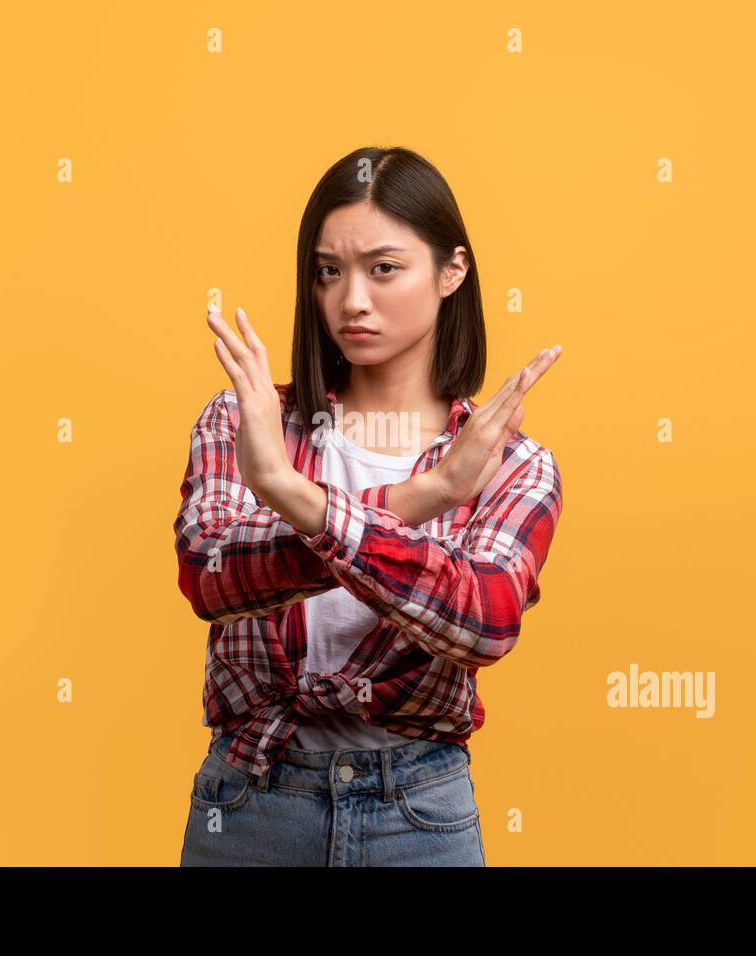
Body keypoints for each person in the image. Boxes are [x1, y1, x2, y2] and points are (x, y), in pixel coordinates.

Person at [174, 146, 563, 866]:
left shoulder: (511, 462)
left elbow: (483, 620)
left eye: (383, 268)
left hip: (416, 816)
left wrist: (300, 502)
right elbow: (211, 576)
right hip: (250, 805)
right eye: (329, 270)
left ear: (453, 270)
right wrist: (429, 498)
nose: (351, 299)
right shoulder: (248, 422)